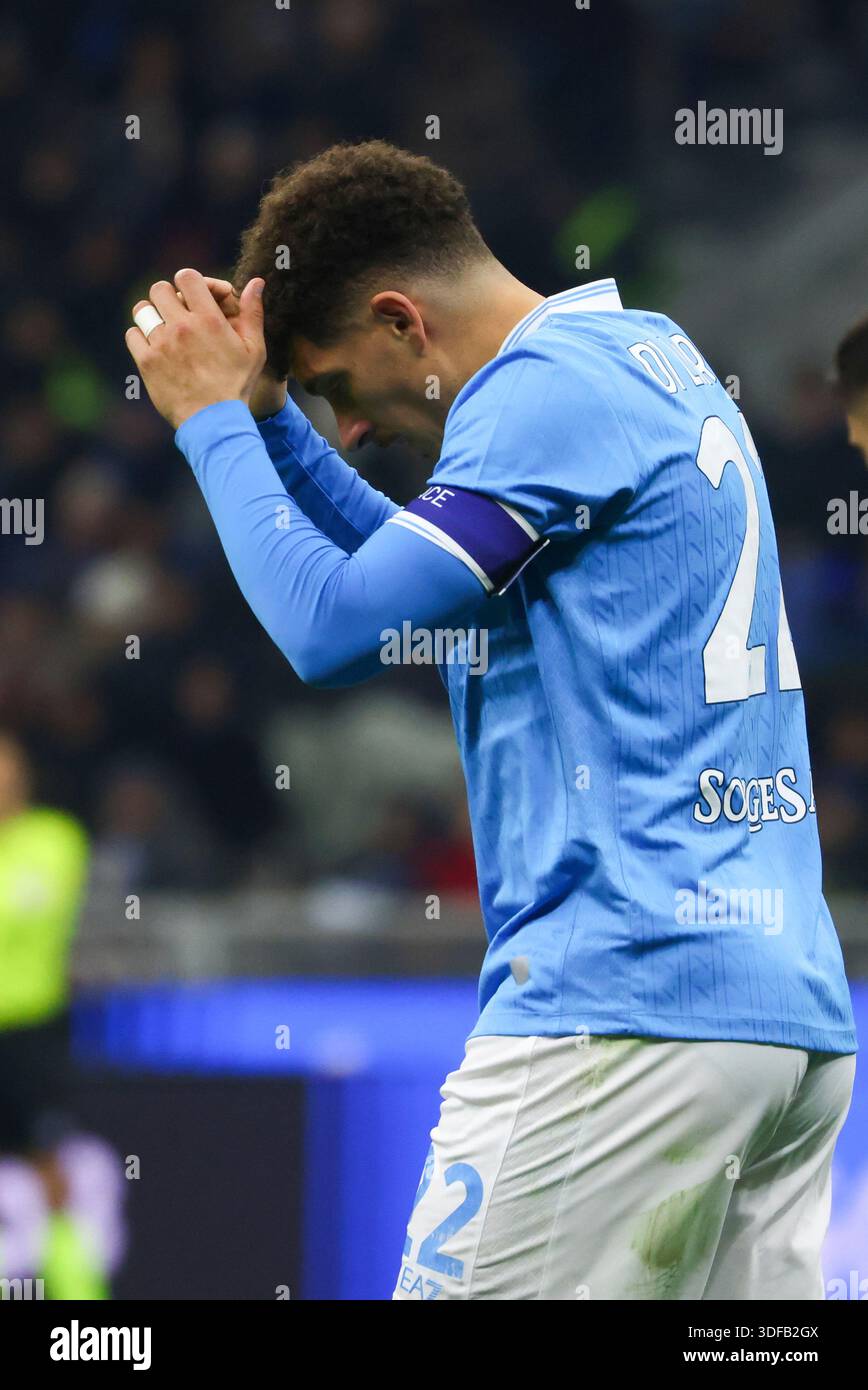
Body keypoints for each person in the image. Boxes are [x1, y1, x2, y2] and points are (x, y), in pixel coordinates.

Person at [125, 140, 857, 1301]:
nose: (350, 431)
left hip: (619, 1014)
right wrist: (269, 423)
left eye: (338, 391)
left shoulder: (537, 397)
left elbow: (330, 627)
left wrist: (210, 423)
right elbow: (402, 575)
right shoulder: (638, 354)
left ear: (403, 321)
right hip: (776, 1025)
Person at [0, 732, 120, 1298]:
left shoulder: (55, 839)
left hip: (31, 1035)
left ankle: (78, 1304)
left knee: (49, 1175)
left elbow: (33, 914)